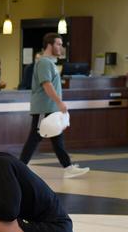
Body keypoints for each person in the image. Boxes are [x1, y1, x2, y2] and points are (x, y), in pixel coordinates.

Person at [18, 33, 90, 178]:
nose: (61, 47)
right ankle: (19, 168)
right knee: (35, 137)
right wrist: (59, 102)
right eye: (58, 44)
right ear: (50, 45)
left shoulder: (50, 63)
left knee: (57, 137)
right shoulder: (44, 62)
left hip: (50, 108)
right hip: (44, 108)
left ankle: (68, 167)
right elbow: (47, 84)